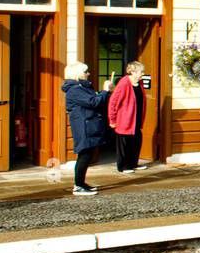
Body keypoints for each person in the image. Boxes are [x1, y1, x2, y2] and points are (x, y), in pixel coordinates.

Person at [62, 62, 111, 196]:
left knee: (87, 154)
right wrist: (105, 90)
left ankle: (81, 183)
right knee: (84, 155)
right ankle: (78, 185)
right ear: (78, 74)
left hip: (88, 124)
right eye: (86, 72)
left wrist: (103, 93)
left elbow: (94, 99)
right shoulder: (75, 90)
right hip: (84, 126)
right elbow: (93, 102)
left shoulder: (81, 87)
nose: (88, 74)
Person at [107, 61, 147, 174]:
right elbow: (113, 102)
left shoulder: (140, 83)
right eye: (141, 72)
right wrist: (112, 119)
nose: (142, 74)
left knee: (136, 141)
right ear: (133, 72)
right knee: (124, 144)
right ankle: (123, 166)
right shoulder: (124, 83)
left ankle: (133, 163)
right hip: (125, 119)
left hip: (137, 118)